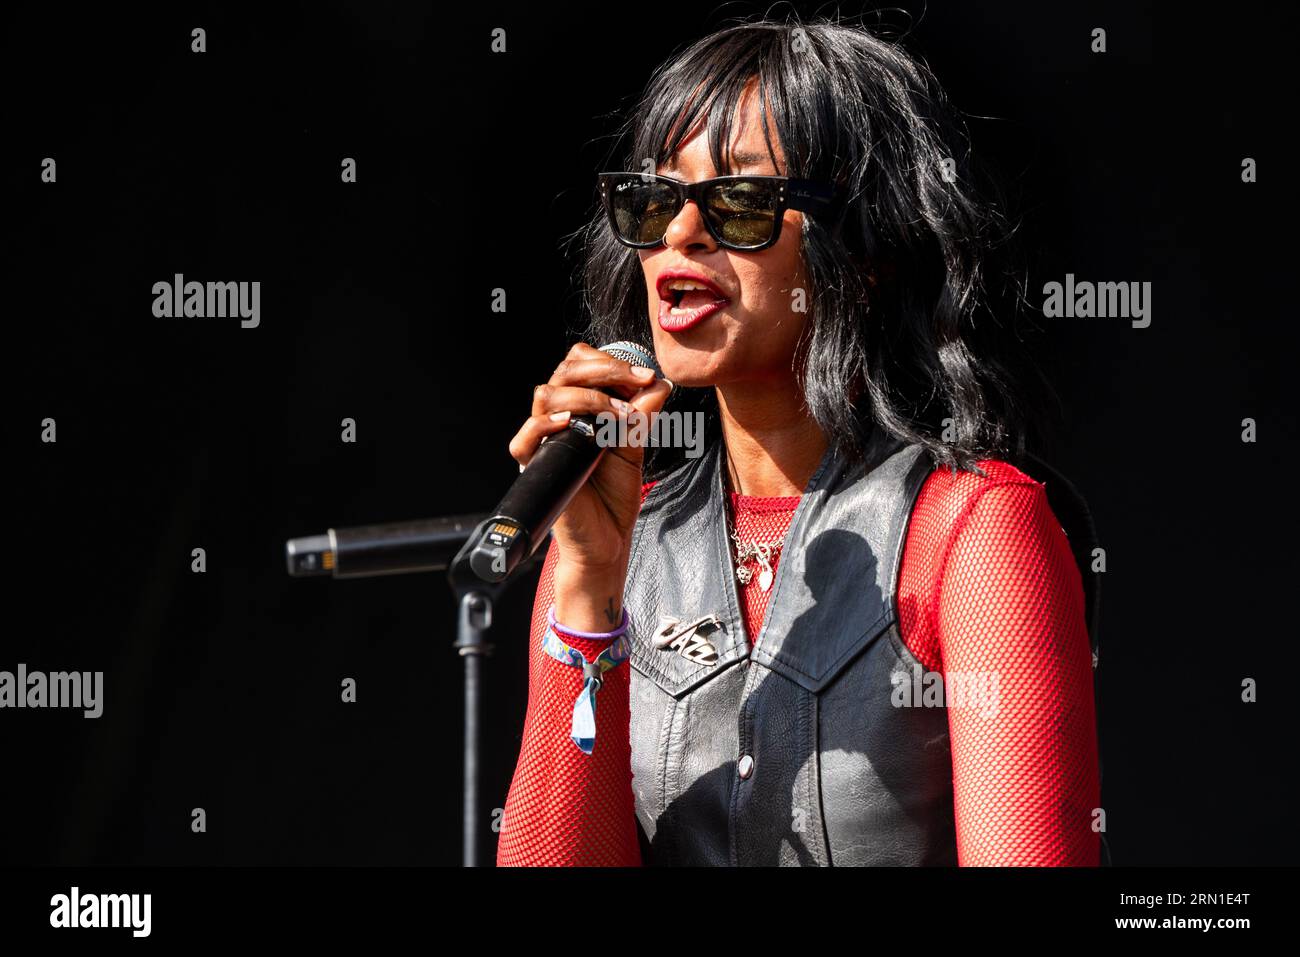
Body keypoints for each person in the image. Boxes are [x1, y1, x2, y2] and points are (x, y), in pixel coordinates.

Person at [496, 16, 1102, 866]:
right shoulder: (612, 535)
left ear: (868, 251)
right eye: (656, 197)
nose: (680, 233)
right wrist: (588, 593)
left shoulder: (974, 532)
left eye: (740, 201)